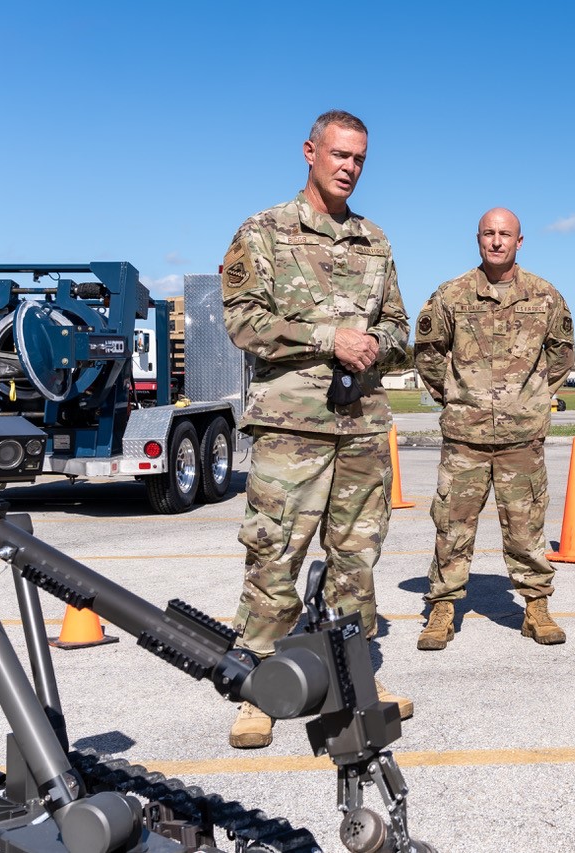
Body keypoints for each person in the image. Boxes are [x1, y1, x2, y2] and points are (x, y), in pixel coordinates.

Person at [221, 109, 413, 749]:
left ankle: (355, 686)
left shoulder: (375, 240)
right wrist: (332, 338)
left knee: (356, 560)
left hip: (360, 424)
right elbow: (244, 323)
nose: (349, 168)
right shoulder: (264, 231)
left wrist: (372, 347)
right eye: (339, 154)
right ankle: (255, 689)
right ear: (310, 151)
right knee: (275, 554)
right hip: (292, 424)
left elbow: (399, 330)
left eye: (360, 158)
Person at [413, 208, 575, 649]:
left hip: (522, 438)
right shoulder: (451, 295)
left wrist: (532, 399)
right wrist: (455, 396)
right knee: (452, 524)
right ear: (478, 239)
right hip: (464, 436)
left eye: (506, 234)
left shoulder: (545, 296)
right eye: (489, 233)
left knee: (527, 527)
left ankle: (536, 607)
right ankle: (443, 608)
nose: (497, 241)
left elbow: (561, 355)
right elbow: (427, 353)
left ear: (520, 242)